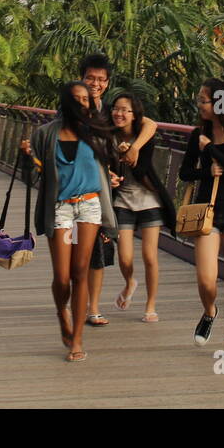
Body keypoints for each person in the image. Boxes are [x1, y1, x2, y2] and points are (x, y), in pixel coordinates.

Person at [20, 82, 121, 362]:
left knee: (80, 271)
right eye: (76, 99)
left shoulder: (97, 133)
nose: (81, 103)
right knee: (62, 277)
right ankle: (60, 311)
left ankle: (77, 339)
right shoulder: (45, 134)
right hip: (60, 209)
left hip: (89, 207)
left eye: (86, 99)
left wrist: (113, 178)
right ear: (66, 101)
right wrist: (27, 157)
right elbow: (34, 175)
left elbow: (107, 167)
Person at [78, 53, 157, 326]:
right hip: (77, 188)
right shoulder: (74, 104)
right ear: (81, 78)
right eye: (90, 78)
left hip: (104, 193)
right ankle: (76, 305)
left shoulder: (107, 110)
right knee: (77, 250)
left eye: (101, 79)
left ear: (107, 82)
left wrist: (132, 148)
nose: (95, 83)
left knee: (98, 249)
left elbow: (147, 122)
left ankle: (92, 308)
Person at [178, 78, 224, 359]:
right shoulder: (198, 133)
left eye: (204, 100)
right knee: (205, 279)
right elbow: (185, 173)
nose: (199, 104)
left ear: (220, 102)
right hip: (207, 213)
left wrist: (209, 149)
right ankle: (210, 312)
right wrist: (206, 172)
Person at [108, 91, 176, 322]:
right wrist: (116, 160)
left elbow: (140, 169)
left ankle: (151, 305)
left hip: (148, 200)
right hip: (122, 201)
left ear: (135, 114)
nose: (120, 113)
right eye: (116, 108)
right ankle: (130, 282)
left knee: (150, 256)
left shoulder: (144, 138)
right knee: (124, 256)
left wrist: (131, 150)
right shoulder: (108, 136)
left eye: (126, 110)